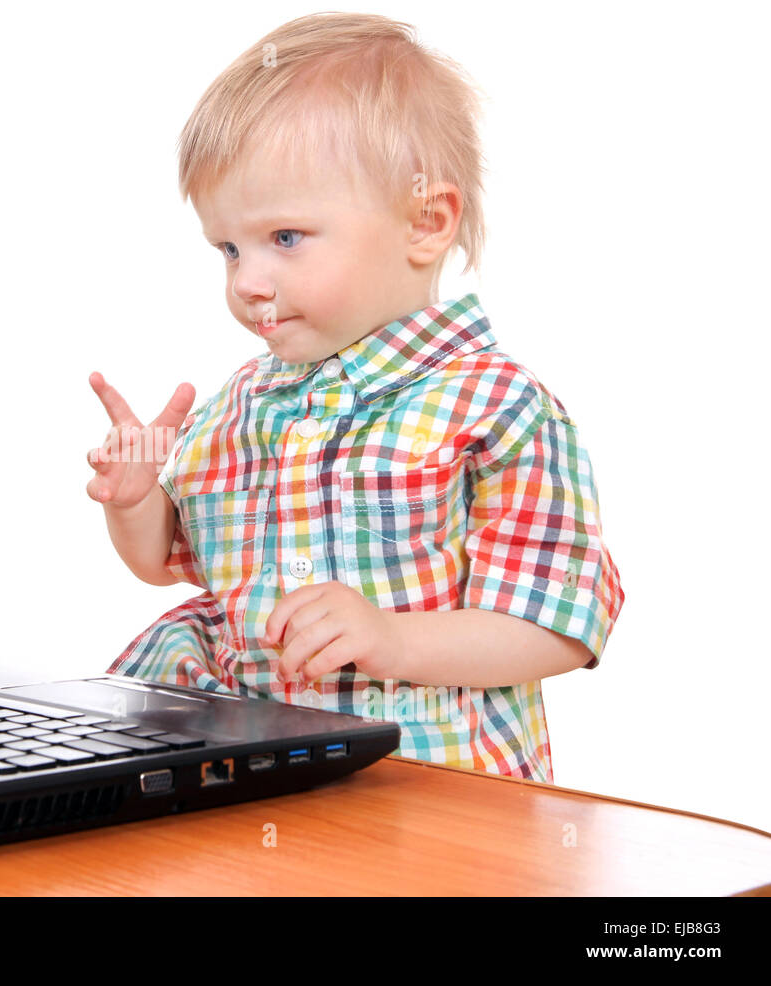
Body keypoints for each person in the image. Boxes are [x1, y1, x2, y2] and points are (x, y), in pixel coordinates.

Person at [85, 12, 623, 783]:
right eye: (229, 248)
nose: (247, 282)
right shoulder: (245, 403)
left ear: (425, 223)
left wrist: (390, 639)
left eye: (287, 238)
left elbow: (556, 627)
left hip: (441, 807)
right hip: (264, 790)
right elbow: (171, 561)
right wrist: (136, 504)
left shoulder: (497, 407)